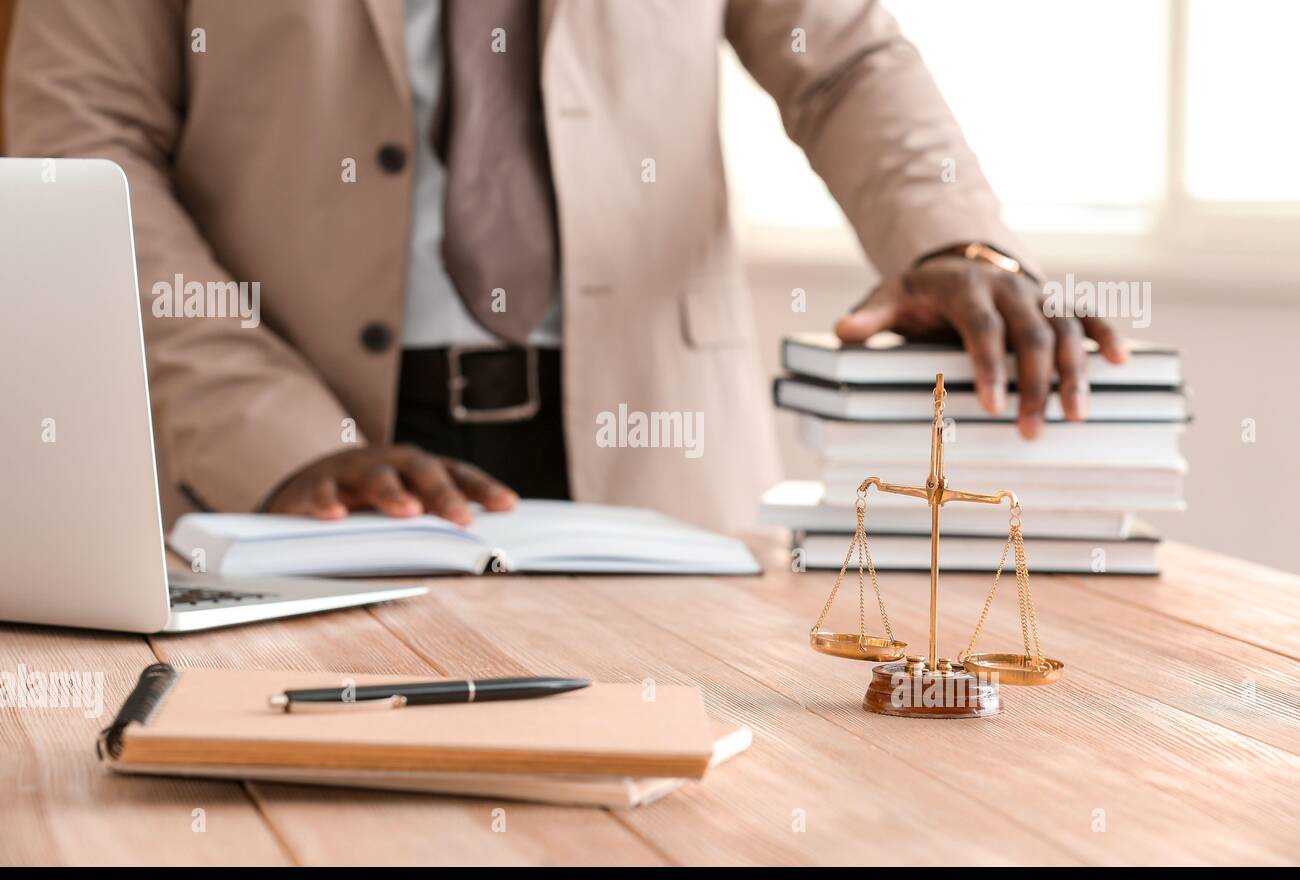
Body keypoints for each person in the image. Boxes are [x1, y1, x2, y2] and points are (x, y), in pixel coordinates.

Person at [4, 0, 1126, 532]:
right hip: (293, 468)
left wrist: (948, 239)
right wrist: (277, 436)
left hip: (655, 459)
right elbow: (76, 139)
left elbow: (835, 56)